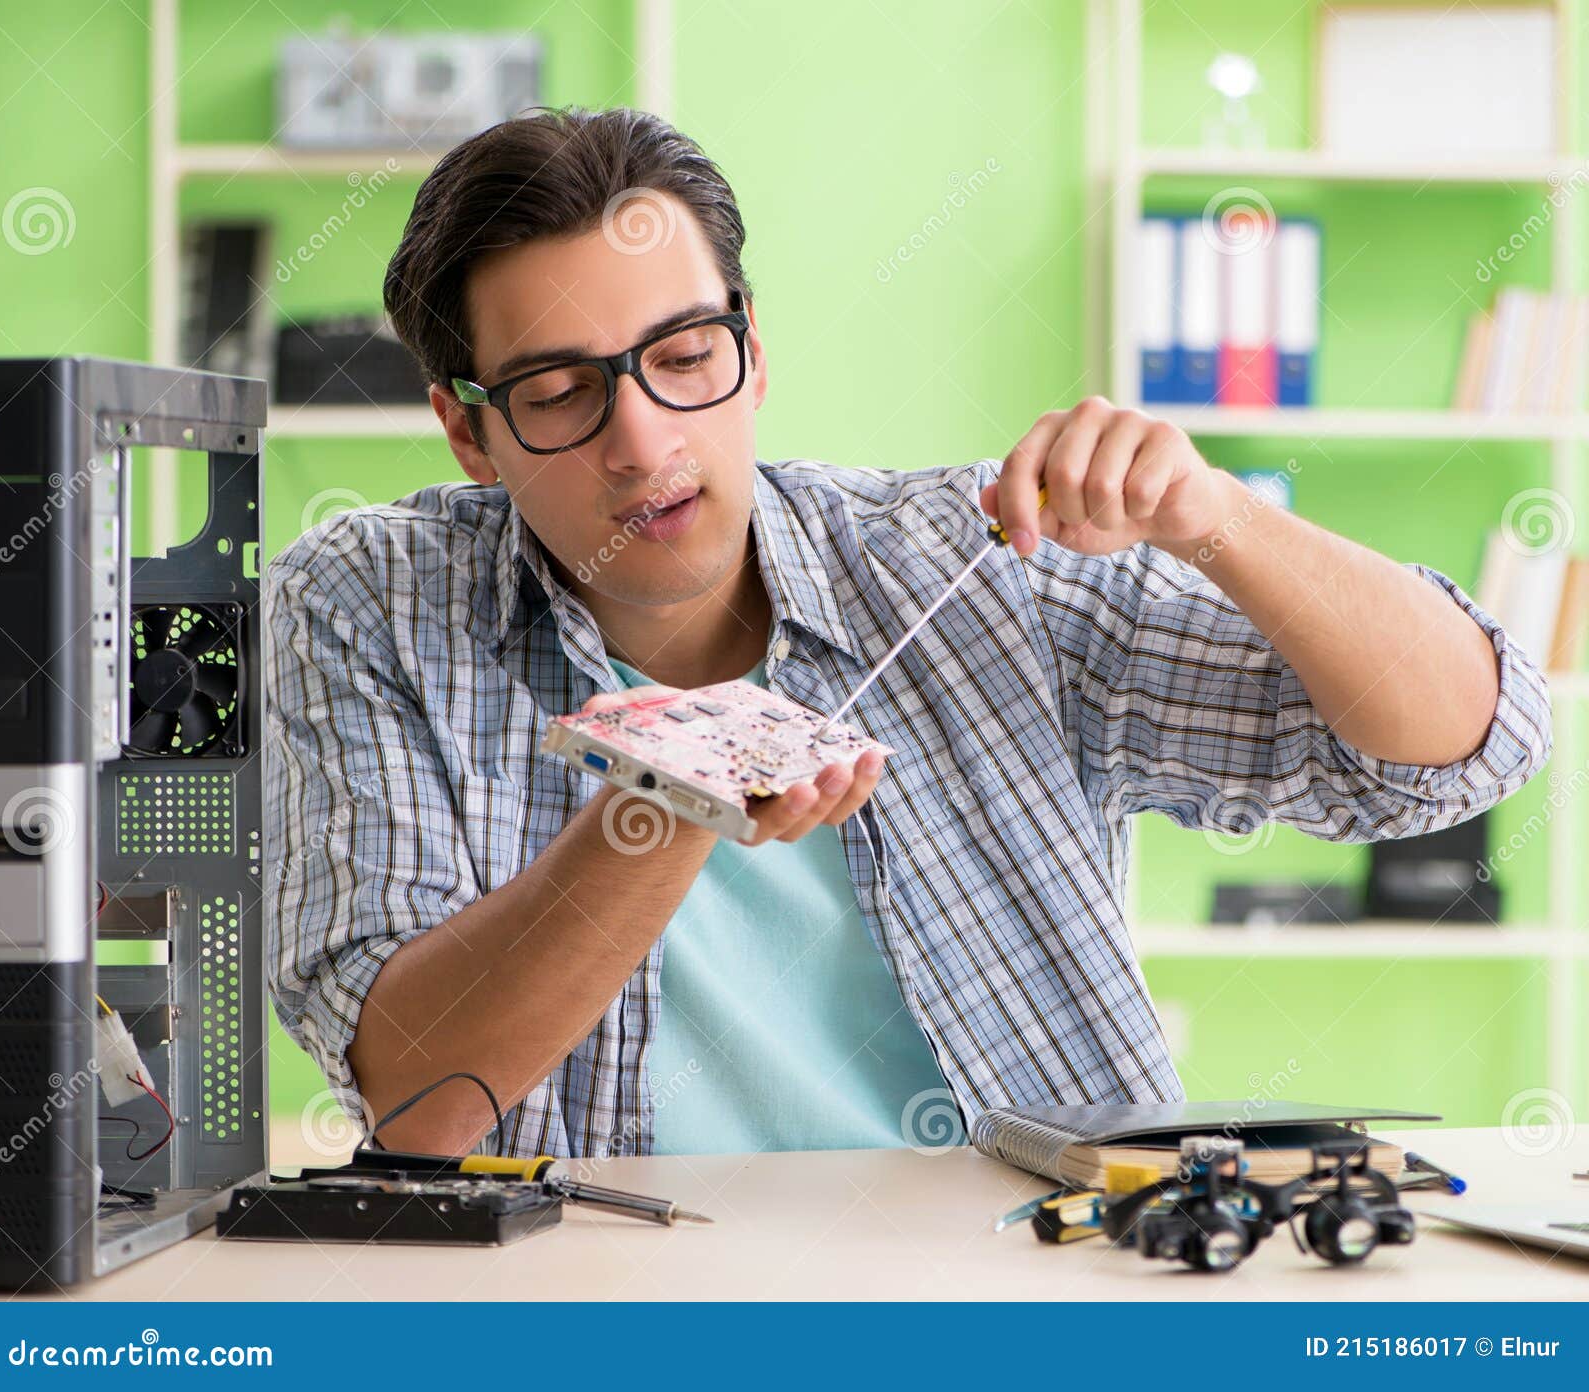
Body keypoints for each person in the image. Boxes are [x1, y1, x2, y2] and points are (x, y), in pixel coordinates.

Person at [264, 107, 1552, 1160]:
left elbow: (1457, 751)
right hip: (606, 1311)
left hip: (1024, 1292)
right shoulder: (368, 603)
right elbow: (422, 1102)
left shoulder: (975, 556)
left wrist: (1218, 520)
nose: (643, 438)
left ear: (753, 357)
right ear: (466, 433)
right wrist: (663, 811)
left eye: (686, 355)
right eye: (557, 392)